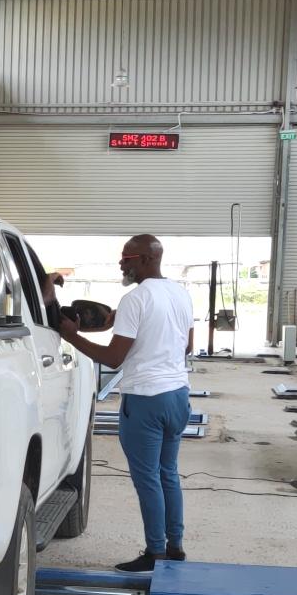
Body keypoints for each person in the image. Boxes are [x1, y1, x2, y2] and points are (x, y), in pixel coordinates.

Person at [56, 234, 193, 572]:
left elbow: (114, 358)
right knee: (168, 474)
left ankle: (155, 552)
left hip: (146, 400)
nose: (121, 264)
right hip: (178, 395)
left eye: (127, 259)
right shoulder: (180, 293)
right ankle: (174, 547)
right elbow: (186, 346)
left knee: (147, 479)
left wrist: (71, 335)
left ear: (146, 259)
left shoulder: (135, 299)